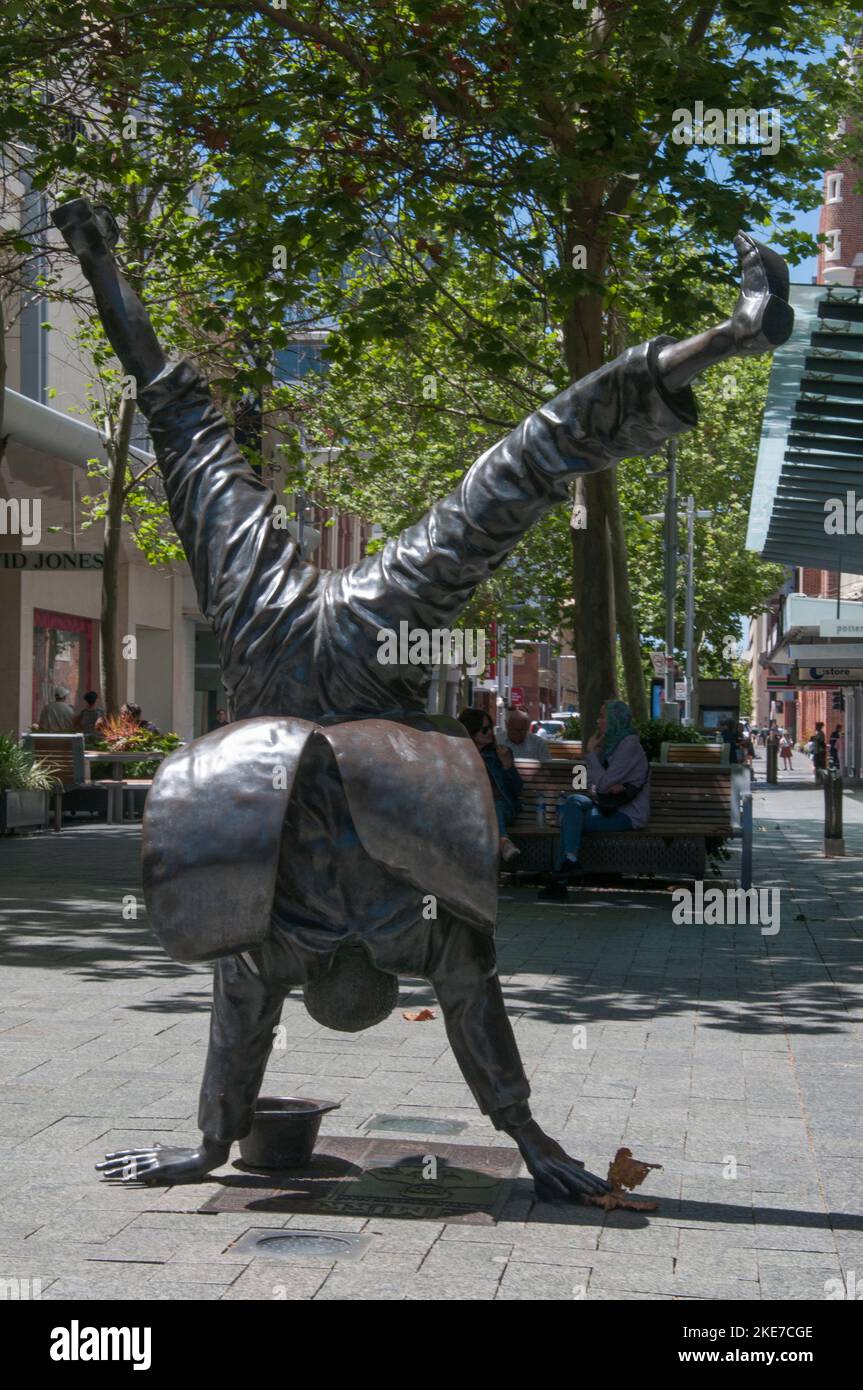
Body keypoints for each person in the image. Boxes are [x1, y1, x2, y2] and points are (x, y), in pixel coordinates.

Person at [52, 197, 793, 1200]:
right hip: (271, 645)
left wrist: (533, 1142)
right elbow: (241, 1036)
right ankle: (99, 256)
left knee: (513, 475)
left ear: (371, 974)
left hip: (359, 649)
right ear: (316, 984)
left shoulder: (415, 935)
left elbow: (466, 1007)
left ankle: (732, 333)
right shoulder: (266, 954)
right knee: (191, 430)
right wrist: (207, 1146)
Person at [539, 699, 649, 900]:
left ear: (614, 720)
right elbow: (592, 782)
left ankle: (560, 880)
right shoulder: (607, 744)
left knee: (569, 820)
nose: (598, 721)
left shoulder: (629, 745)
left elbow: (604, 783)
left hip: (627, 813)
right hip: (604, 804)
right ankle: (570, 862)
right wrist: (596, 759)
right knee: (573, 803)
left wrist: (591, 754)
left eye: (602, 716)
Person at [459, 708, 523, 865]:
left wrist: (508, 766)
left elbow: (516, 789)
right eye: (484, 729)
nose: (490, 733)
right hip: (471, 810)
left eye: (491, 728)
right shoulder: (460, 756)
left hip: (502, 807)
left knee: (492, 805)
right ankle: (502, 844)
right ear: (471, 731)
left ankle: (503, 841)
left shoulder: (500, 753)